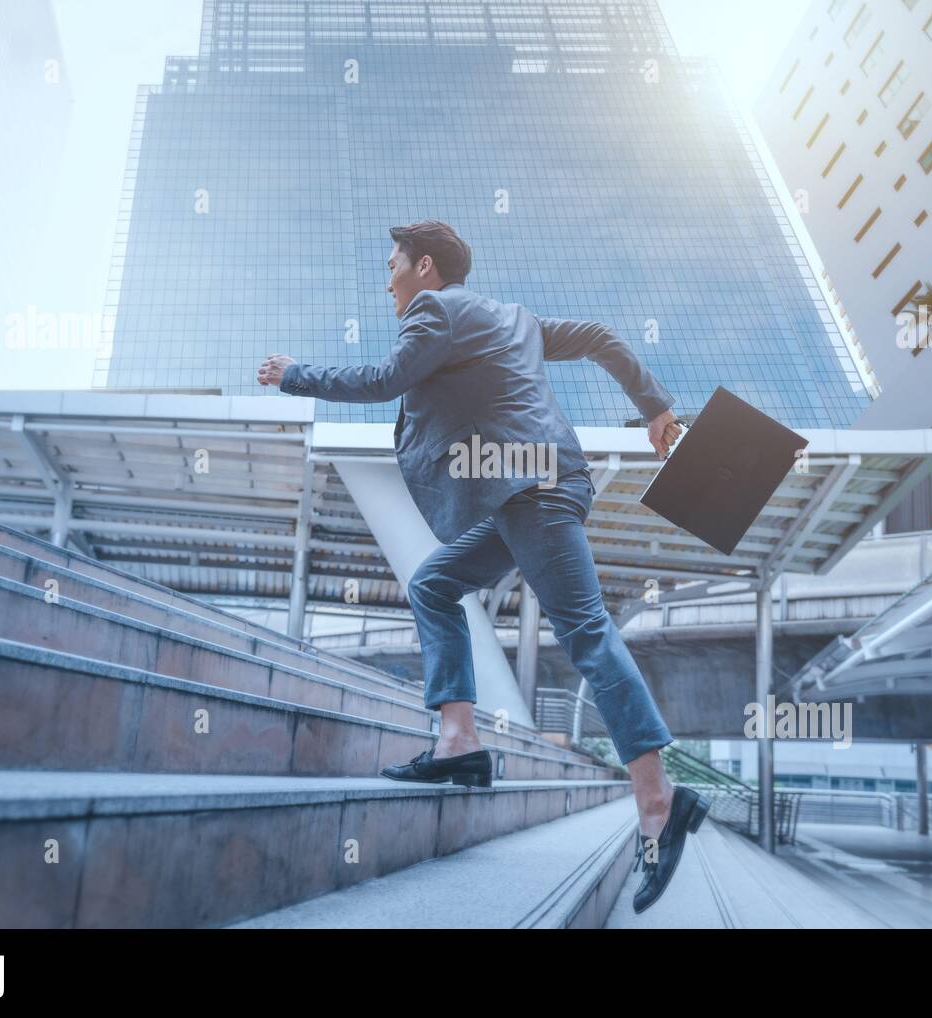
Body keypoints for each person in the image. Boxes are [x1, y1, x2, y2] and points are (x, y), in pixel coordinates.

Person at [256, 219, 710, 913]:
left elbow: (384, 380)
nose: (388, 280)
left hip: (528, 488)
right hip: (525, 489)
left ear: (426, 267)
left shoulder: (433, 311)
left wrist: (295, 376)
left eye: (394, 266)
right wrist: (654, 406)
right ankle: (459, 742)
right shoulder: (513, 316)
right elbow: (600, 339)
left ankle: (658, 801)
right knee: (434, 584)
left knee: (586, 632)